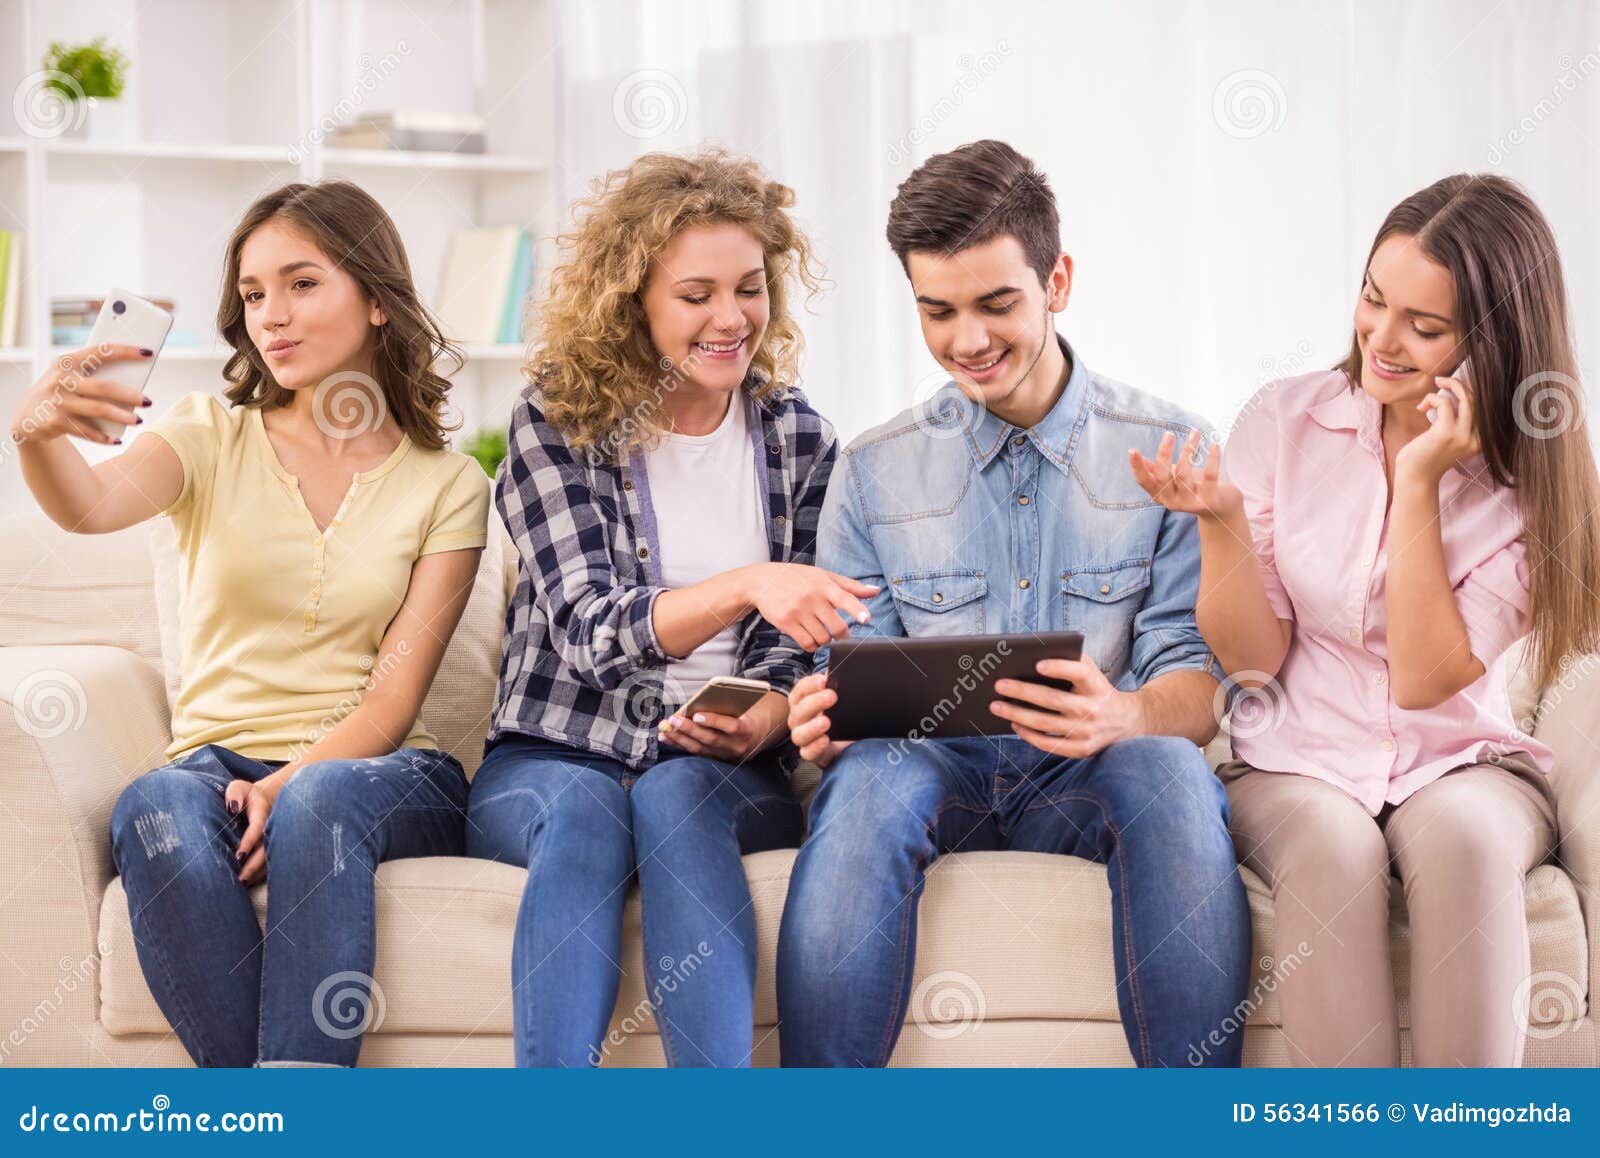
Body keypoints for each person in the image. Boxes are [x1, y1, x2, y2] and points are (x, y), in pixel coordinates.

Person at [779, 140, 1252, 1068]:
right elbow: (853, 678)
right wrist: (824, 716)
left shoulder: (1171, 449)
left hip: (1085, 779)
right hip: (928, 777)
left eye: (997, 304)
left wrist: (1124, 713)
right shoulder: (873, 470)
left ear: (1057, 281)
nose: (968, 341)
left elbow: (1197, 689)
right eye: (937, 311)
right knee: (867, 781)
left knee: (1168, 773)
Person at [6, 180, 490, 1066]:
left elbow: (393, 698)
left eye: (302, 284)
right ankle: (268, 1115)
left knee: (323, 795)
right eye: (255, 294)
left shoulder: (446, 483)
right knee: (152, 804)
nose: (272, 315)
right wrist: (36, 434)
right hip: (214, 763)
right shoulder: (206, 437)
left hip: (384, 772)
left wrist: (287, 783)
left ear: (377, 300)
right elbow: (87, 507)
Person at [1131, 173, 1597, 1066]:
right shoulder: (1285, 419)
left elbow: (1427, 680)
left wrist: (1420, 476)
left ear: (1494, 343)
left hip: (1460, 760)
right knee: (1334, 855)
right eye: (1373, 301)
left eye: (1424, 328)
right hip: (1295, 756)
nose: (1382, 340)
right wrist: (1222, 523)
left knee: (1464, 841)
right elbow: (1254, 659)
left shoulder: (1532, 483)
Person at [471, 149, 870, 1067]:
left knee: (679, 793)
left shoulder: (799, 435)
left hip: (722, 771)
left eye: (750, 288)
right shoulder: (557, 422)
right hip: (558, 751)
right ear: (633, 302)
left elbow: (799, 647)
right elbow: (586, 630)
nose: (731, 319)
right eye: (696, 295)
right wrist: (745, 581)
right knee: (589, 813)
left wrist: (768, 718)